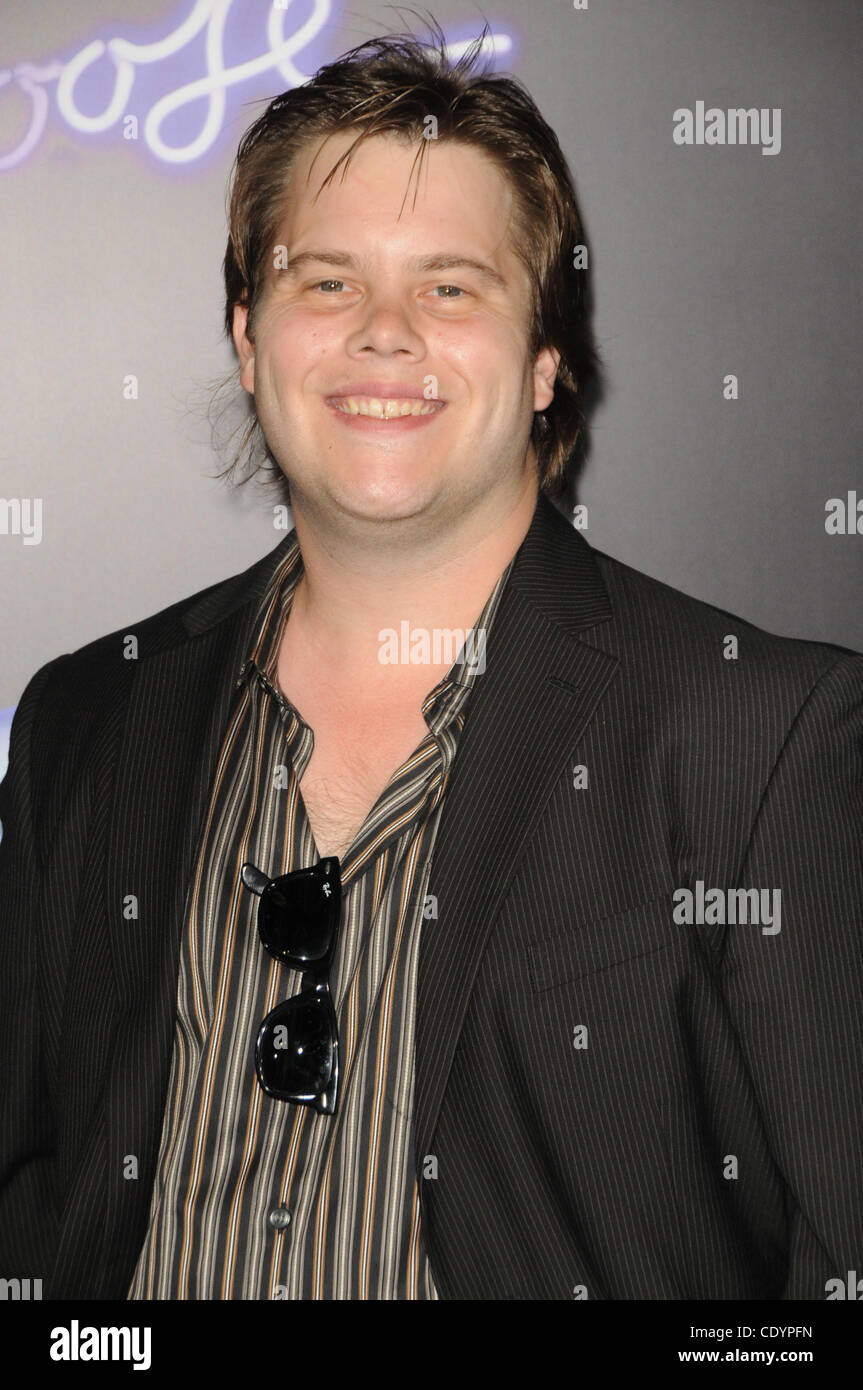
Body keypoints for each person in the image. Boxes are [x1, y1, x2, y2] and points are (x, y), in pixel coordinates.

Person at [1, 20, 861, 1302]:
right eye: (326, 280)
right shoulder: (84, 715)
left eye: (452, 285)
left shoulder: (760, 731)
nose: (385, 331)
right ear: (249, 339)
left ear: (543, 362)